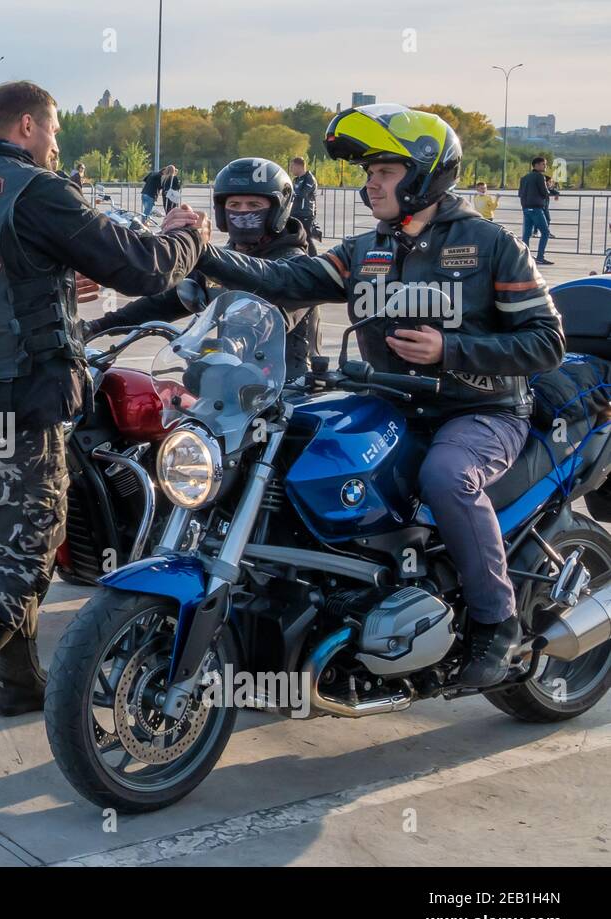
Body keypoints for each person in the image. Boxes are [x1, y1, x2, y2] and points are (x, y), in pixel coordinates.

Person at [0, 81, 207, 758]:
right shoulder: (36, 189)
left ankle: (19, 681)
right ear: (27, 126)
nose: (57, 145)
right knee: (31, 550)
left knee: (4, 537)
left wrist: (54, 277)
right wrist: (186, 239)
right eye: (54, 131)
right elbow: (141, 266)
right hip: (19, 394)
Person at [191, 104, 563, 689]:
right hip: (390, 406)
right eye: (369, 173)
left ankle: (498, 622)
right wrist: (200, 250)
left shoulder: (491, 244)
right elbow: (284, 279)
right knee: (291, 449)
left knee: (446, 476)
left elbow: (547, 342)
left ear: (425, 174)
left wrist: (451, 350)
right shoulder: (365, 249)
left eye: (385, 171)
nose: (371, 184)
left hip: (480, 411)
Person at [84, 157, 320, 382]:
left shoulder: (294, 267)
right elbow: (166, 301)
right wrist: (96, 327)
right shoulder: (224, 259)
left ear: (277, 210)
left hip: (288, 390)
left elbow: (270, 321)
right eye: (234, 205)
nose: (242, 212)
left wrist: (228, 346)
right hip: (233, 386)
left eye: (254, 205)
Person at [519, 156, 555, 265]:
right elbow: (545, 193)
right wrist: (552, 191)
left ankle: (525, 257)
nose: (545, 166)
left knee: (526, 234)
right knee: (545, 232)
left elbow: (520, 194)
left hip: (526, 208)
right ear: (537, 165)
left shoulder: (524, 178)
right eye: (544, 164)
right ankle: (540, 257)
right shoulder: (540, 177)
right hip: (536, 208)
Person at [289, 155, 320, 240]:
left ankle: (313, 250)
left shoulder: (309, 179)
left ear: (299, 167)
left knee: (307, 239)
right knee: (295, 238)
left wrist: (291, 193)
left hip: (306, 214)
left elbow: (303, 194)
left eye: (292, 166)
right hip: (295, 213)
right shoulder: (296, 179)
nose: (291, 169)